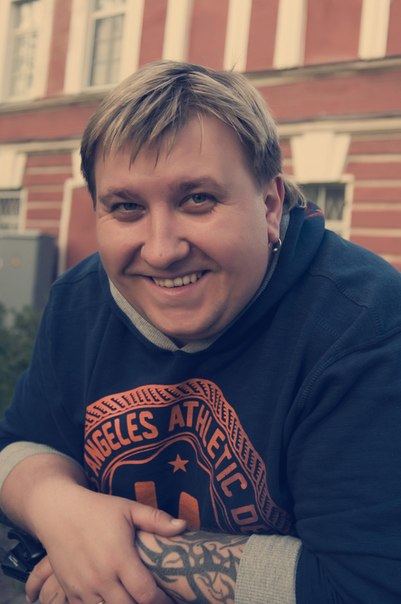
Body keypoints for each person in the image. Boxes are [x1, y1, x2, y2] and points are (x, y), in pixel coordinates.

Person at [0, 60, 400, 604]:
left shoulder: (362, 325)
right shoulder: (81, 299)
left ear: (269, 204)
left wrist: (110, 554)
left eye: (197, 200)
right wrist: (56, 505)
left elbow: (367, 582)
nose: (162, 250)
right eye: (126, 207)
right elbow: (20, 443)